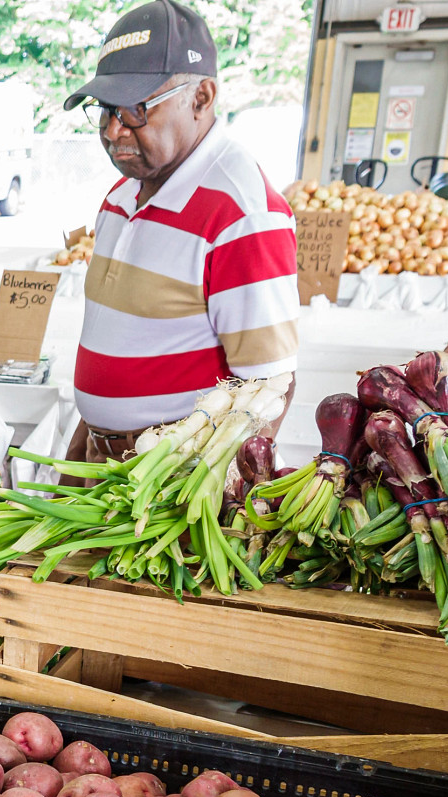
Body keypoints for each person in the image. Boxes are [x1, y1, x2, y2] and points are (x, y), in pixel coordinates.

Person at [60, 0, 297, 473]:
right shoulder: (120, 196)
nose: (112, 130)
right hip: (99, 463)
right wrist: (81, 450)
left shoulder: (241, 213)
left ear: (202, 97)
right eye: (105, 109)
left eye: (136, 109)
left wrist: (199, 495)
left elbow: (270, 390)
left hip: (172, 484)